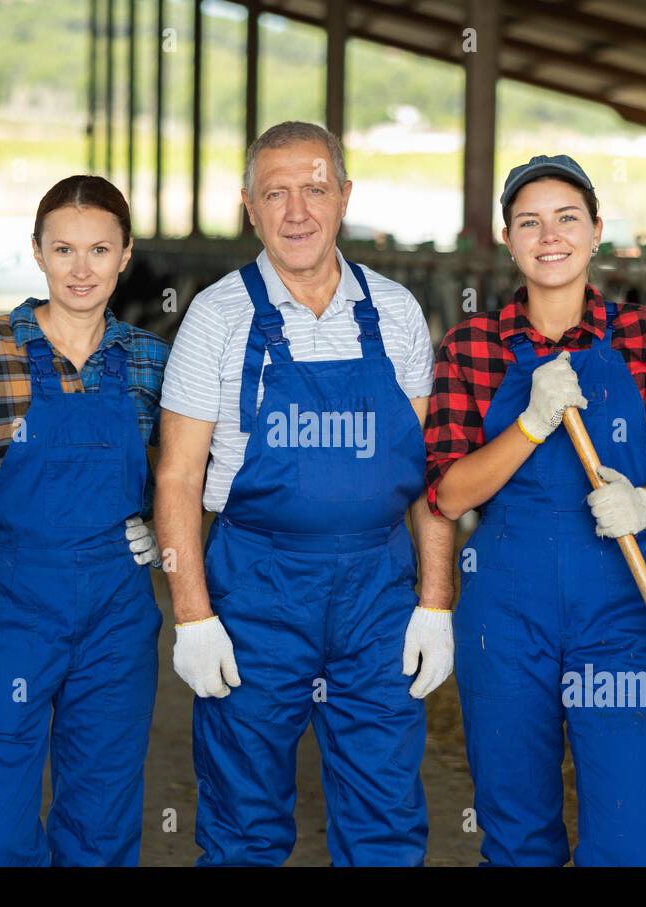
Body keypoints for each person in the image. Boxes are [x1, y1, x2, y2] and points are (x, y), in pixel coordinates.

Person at [155, 121, 457, 866]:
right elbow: (176, 475)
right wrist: (192, 616)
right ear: (249, 209)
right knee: (243, 823)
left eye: (315, 189)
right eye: (275, 193)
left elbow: (431, 476)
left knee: (385, 818)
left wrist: (436, 603)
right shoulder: (217, 317)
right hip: (258, 592)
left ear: (344, 198)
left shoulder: (396, 314)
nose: (297, 212)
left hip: (376, 597)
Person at [425, 155, 646, 866]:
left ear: (597, 231)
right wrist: (530, 423)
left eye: (566, 218)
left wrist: (645, 501)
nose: (549, 236)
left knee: (633, 832)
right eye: (530, 222)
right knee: (518, 830)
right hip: (506, 617)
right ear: (509, 242)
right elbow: (450, 492)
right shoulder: (471, 350)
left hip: (620, 604)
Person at [0, 175, 169, 866]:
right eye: (64, 249)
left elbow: (194, 471)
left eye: (100, 250)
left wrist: (165, 526)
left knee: (101, 815)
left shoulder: (148, 361)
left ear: (126, 254)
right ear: (38, 253)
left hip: (116, 609)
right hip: (14, 604)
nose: (82, 268)